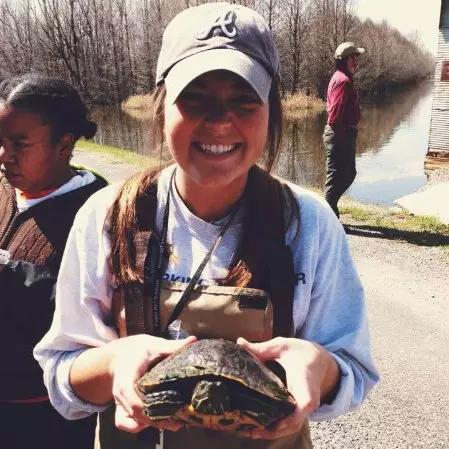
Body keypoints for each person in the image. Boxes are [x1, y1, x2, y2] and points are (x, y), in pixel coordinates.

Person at [34, 4, 379, 449]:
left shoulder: (308, 224)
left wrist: (319, 366)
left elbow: (352, 369)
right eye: (194, 98)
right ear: (160, 109)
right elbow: (63, 372)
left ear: (273, 112)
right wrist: (114, 364)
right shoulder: (109, 215)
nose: (219, 120)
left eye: (243, 100)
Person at [0, 74, 108, 449]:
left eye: (19, 144)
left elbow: (97, 320)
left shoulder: (100, 212)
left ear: (64, 145)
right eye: (0, 141)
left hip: (46, 415)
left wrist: (9, 275)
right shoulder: (3, 190)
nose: (4, 155)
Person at [323, 42, 365, 217]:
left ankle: (329, 208)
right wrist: (343, 136)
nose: (357, 61)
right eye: (354, 57)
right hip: (339, 133)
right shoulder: (343, 81)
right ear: (347, 59)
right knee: (341, 175)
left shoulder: (341, 77)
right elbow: (334, 115)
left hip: (342, 133)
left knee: (345, 174)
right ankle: (327, 211)